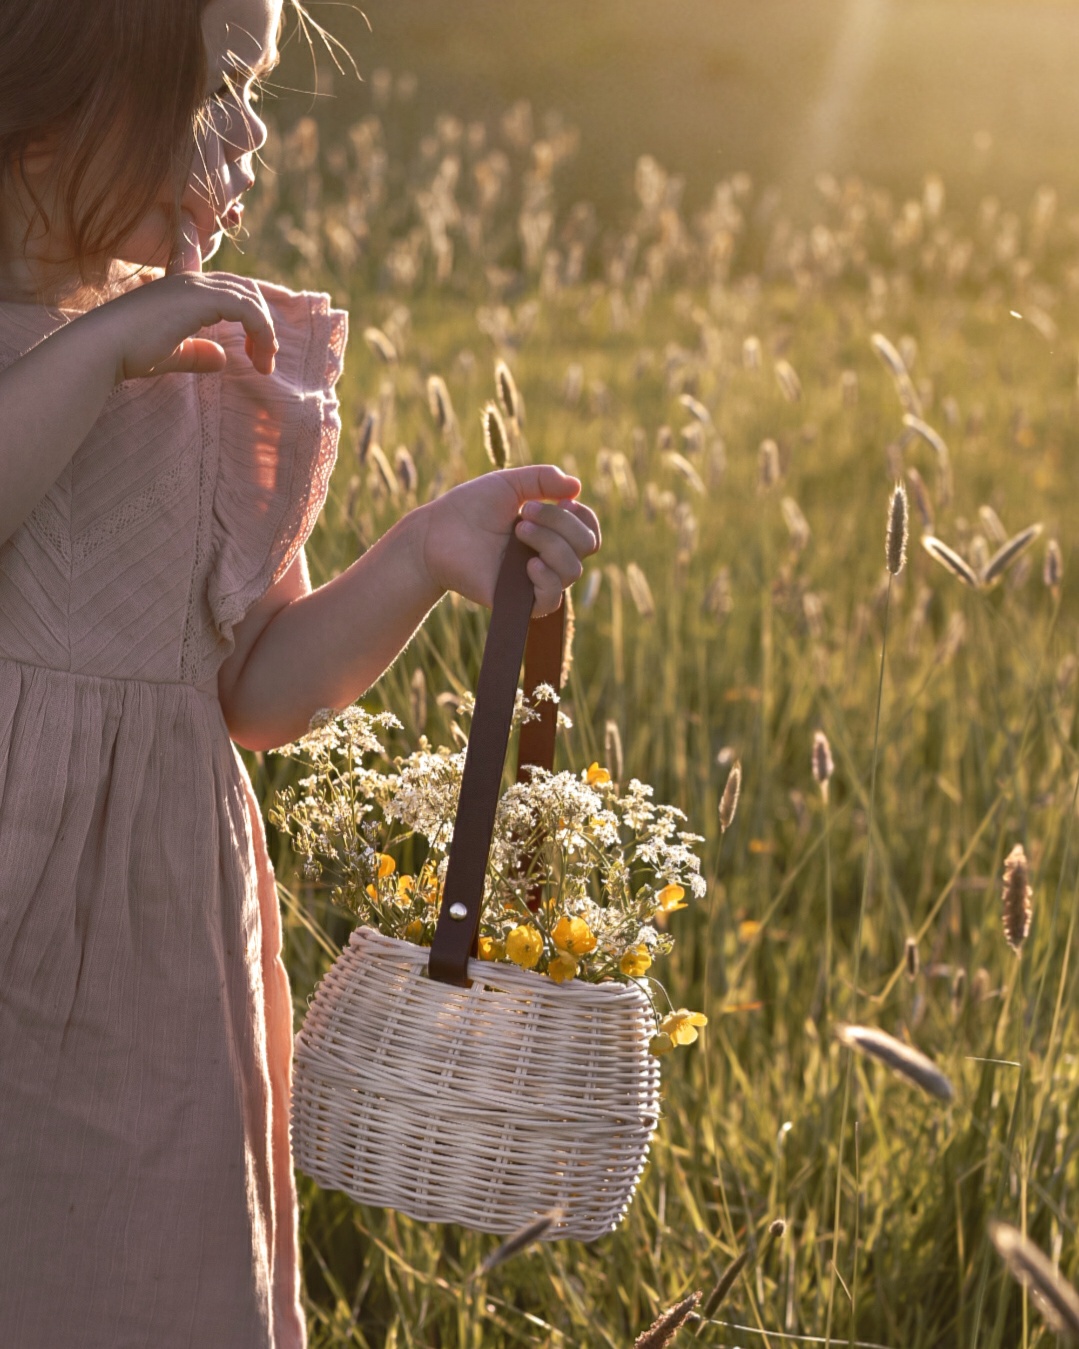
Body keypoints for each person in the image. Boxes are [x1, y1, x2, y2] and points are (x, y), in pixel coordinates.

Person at [0, 0, 601, 1343]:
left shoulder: (216, 369)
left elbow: (257, 691)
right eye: (215, 87)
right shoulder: (101, 348)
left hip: (156, 972)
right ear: (55, 102)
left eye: (256, 85)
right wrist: (98, 348)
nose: (251, 132)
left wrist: (420, 556)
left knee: (151, 1269)